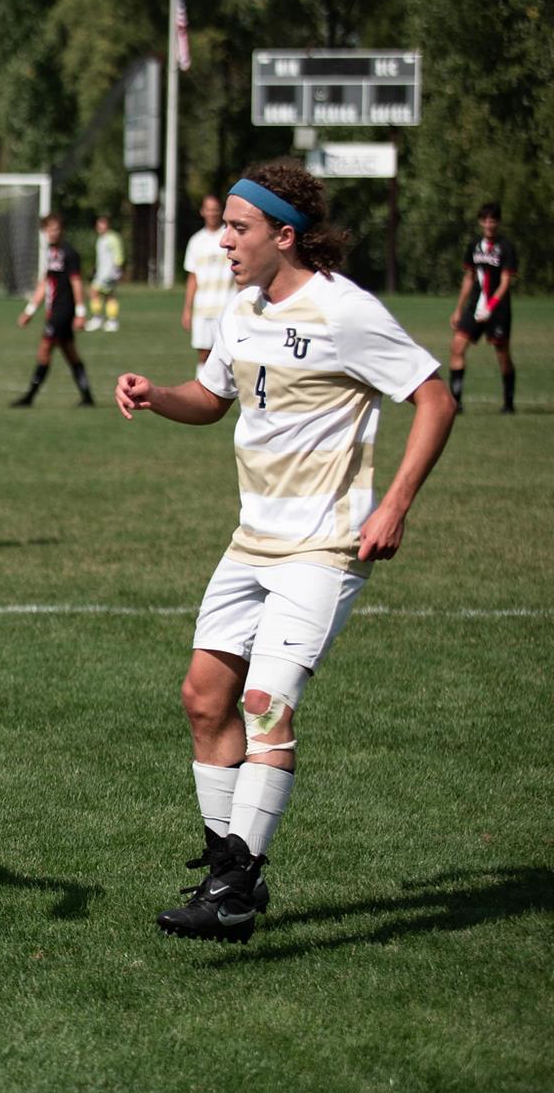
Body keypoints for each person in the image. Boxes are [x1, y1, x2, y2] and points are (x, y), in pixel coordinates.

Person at [113, 158, 454, 944]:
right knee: (205, 697)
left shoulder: (346, 312)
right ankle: (224, 866)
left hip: (325, 545)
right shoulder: (241, 310)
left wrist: (395, 504)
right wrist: (154, 394)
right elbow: (211, 399)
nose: (224, 240)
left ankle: (236, 883)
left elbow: (435, 397)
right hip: (250, 541)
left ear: (284, 235)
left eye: (239, 228)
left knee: (267, 704)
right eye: (225, 226)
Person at [11, 214, 93, 406]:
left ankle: (29, 397)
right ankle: (87, 397)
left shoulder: (69, 253)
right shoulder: (51, 253)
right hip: (54, 311)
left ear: (62, 230)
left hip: (63, 312)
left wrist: (81, 313)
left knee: (44, 350)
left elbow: (77, 283)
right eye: (49, 229)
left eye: (56, 229)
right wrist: (29, 311)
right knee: (70, 352)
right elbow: (44, 285)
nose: (52, 233)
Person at [448, 202, 519, 413]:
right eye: (486, 219)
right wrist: (459, 308)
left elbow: (506, 282)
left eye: (493, 219)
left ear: (498, 222)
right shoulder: (474, 245)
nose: (489, 223)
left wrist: (491, 306)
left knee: (502, 353)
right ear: (480, 221)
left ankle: (508, 403)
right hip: (474, 307)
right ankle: (456, 403)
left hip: (498, 309)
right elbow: (469, 278)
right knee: (457, 347)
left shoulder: (506, 247)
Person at [181, 194, 230, 365]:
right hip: (203, 308)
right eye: (208, 209)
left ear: (221, 211)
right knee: (203, 355)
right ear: (202, 212)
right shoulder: (196, 241)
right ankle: (201, 388)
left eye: (215, 209)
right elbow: (192, 277)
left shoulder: (229, 236)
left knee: (227, 354)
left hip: (226, 307)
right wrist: (187, 309)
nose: (212, 213)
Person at [85, 214, 124, 332]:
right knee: (109, 296)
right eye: (98, 225)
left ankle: (98, 319)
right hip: (102, 272)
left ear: (108, 225)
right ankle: (112, 321)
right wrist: (96, 268)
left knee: (93, 292)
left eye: (102, 224)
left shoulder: (113, 238)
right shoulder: (101, 239)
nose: (100, 227)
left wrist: (117, 269)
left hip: (109, 273)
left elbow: (119, 254)